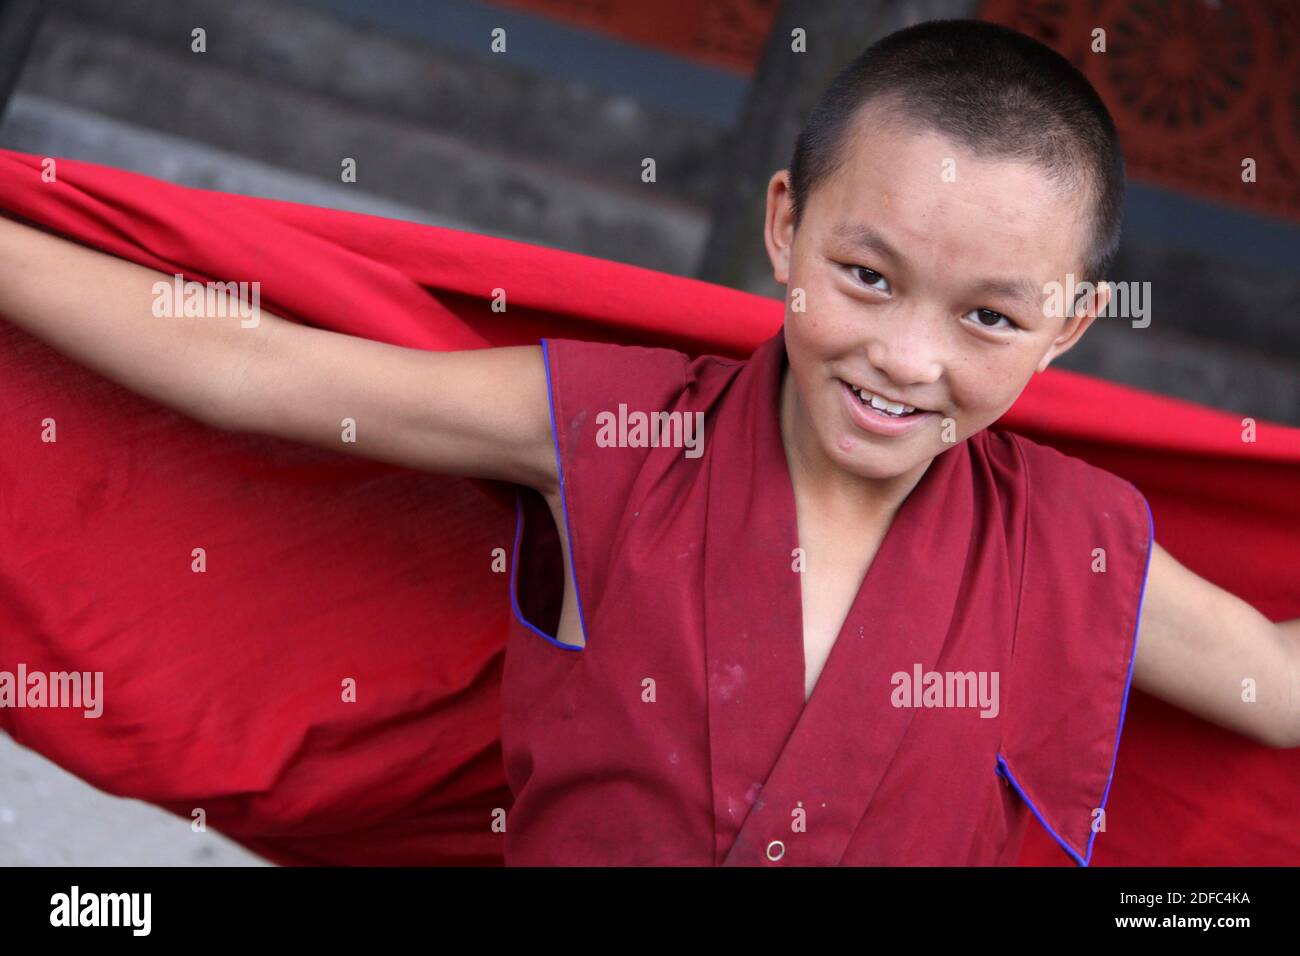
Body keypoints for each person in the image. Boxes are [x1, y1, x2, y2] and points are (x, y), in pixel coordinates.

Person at [0, 20, 1294, 865]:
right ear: (785, 227)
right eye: (868, 276)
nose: (906, 358)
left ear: (1068, 327)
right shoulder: (617, 434)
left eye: (990, 317)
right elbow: (253, 371)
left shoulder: (1075, 546)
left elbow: (1279, 695)